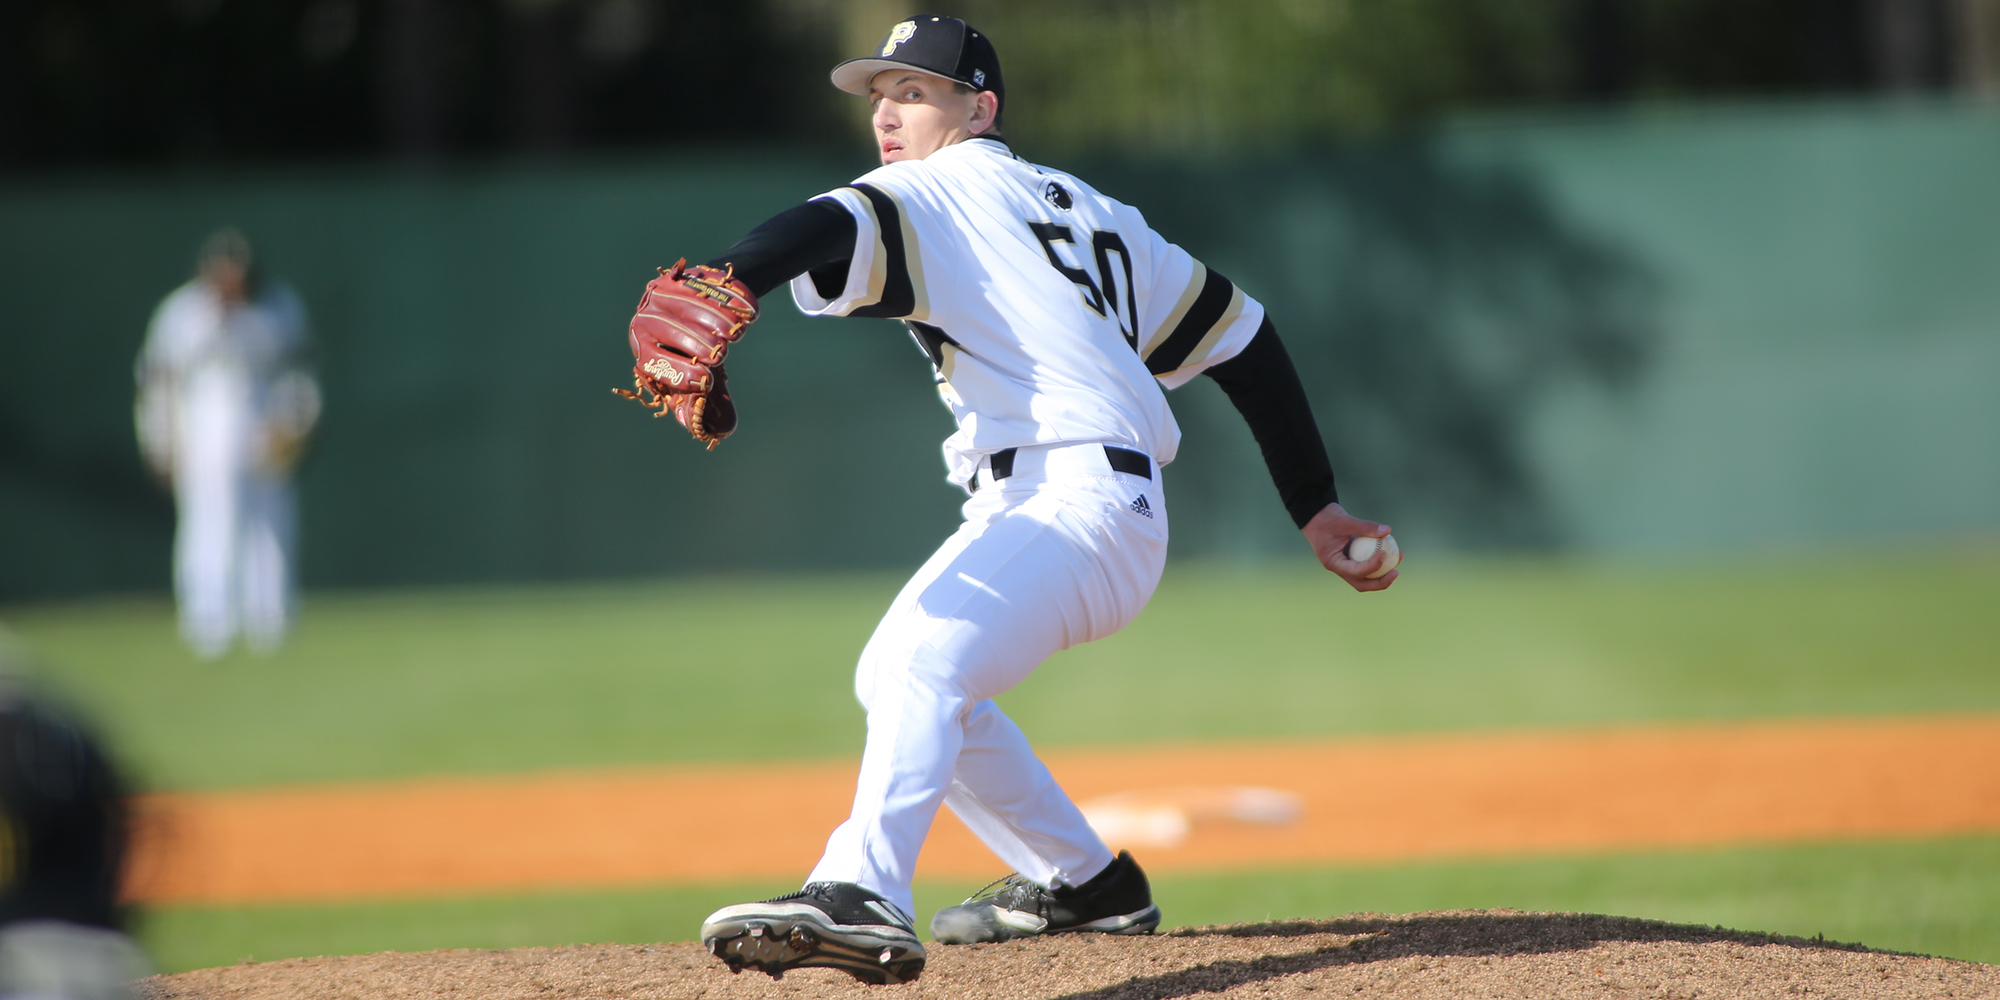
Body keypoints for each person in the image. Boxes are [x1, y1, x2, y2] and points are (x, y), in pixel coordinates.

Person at [640, 15, 1398, 985]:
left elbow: (822, 226)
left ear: (979, 109)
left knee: (917, 663)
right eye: (879, 94)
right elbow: (1243, 338)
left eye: (914, 92)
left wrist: (730, 276)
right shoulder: (1094, 211)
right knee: (903, 680)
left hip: (1074, 496)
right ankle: (1085, 882)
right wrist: (1315, 504)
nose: (886, 113)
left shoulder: (935, 187)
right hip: (1075, 506)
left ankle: (857, 890)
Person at [134, 229, 319, 659]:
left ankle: (270, 616)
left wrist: (297, 424)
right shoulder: (181, 312)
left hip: (264, 414)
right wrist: (160, 439)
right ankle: (208, 618)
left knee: (271, 519)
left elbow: (299, 370)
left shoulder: (278, 307)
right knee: (208, 519)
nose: (229, 281)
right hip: (204, 419)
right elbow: (158, 381)